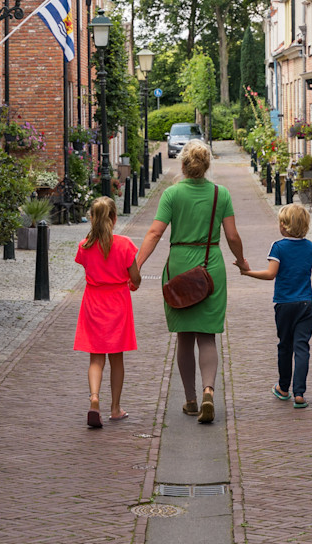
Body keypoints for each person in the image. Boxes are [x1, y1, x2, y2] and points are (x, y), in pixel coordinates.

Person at [136, 139, 246, 424]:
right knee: (207, 335)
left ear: (183, 165)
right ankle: (209, 391)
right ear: (206, 166)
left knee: (184, 336)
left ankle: (191, 400)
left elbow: (154, 233)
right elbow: (232, 236)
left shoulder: (172, 194)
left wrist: (136, 266)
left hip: (180, 266)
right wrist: (242, 261)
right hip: (210, 268)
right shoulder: (221, 194)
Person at [238, 203, 312, 409]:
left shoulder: (278, 247)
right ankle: (300, 393)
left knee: (285, 346)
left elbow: (271, 274)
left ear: (284, 226)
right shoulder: (310, 247)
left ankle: (284, 388)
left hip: (284, 304)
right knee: (302, 347)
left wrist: (247, 272)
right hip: (306, 304)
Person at [74, 196, 141, 428]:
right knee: (116, 357)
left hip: (93, 302)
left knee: (95, 357)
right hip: (118, 303)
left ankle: (94, 398)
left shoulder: (84, 246)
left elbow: (87, 265)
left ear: (92, 218)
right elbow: (135, 277)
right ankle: (115, 408)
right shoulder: (125, 245)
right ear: (114, 218)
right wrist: (132, 283)